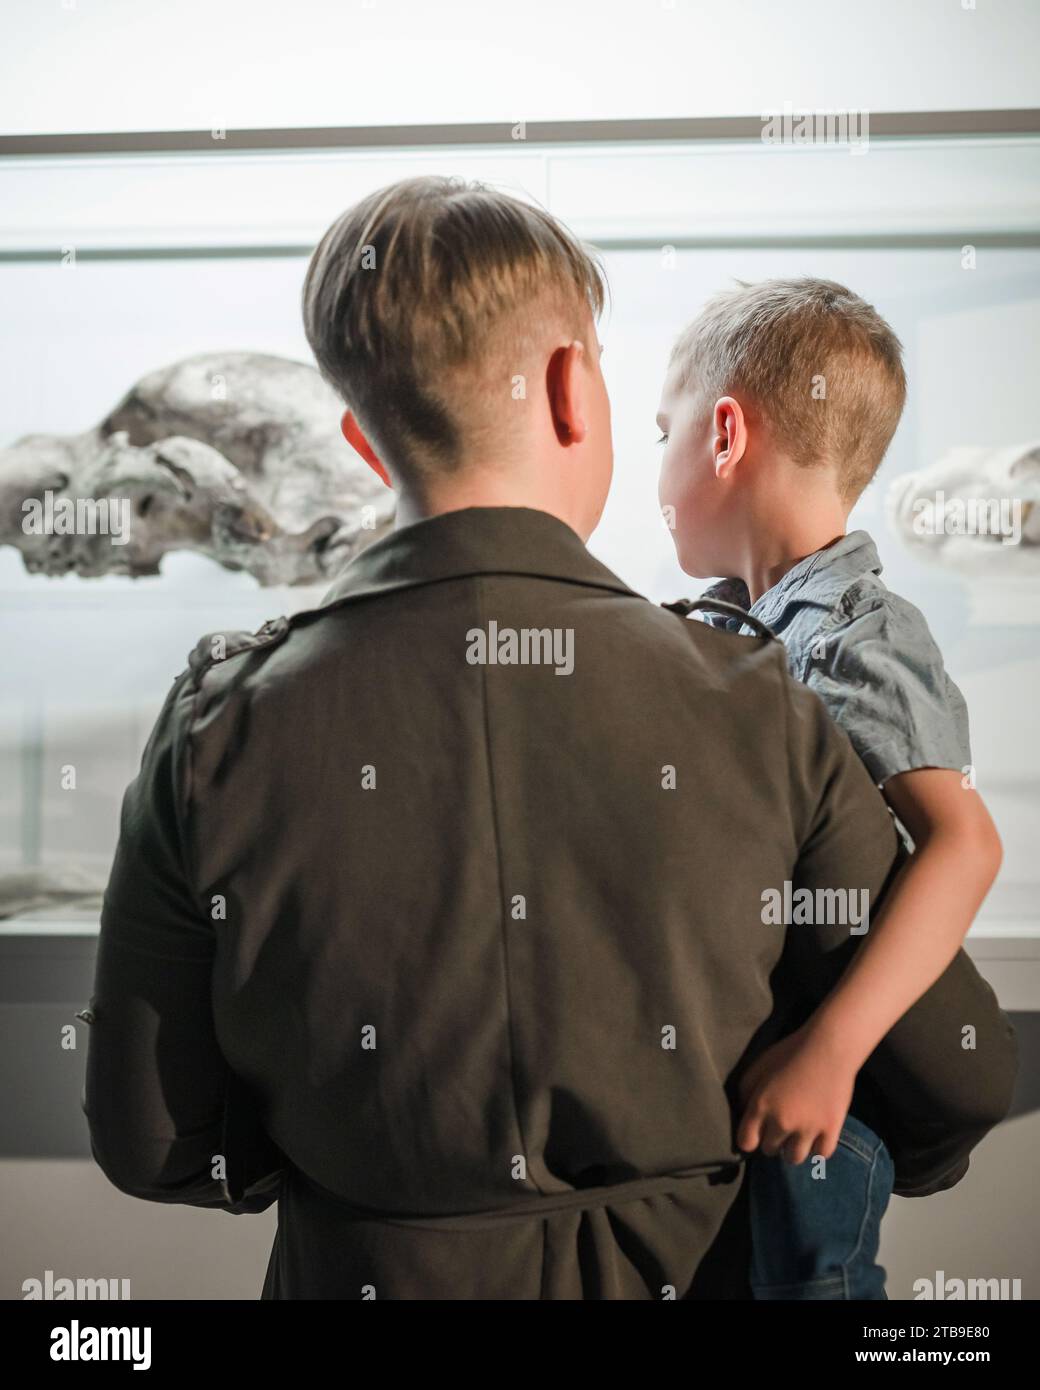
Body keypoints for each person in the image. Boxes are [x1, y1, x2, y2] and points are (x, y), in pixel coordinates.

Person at [82, 179, 1017, 1300]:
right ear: (573, 389)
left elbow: (154, 1138)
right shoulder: (763, 702)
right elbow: (956, 1077)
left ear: (363, 445)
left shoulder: (213, 727)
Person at [656, 276, 1005, 1299]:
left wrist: (830, 1051)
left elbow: (961, 841)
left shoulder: (854, 630)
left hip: (821, 1094)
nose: (654, 469)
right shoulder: (725, 630)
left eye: (660, 429)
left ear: (723, 434)